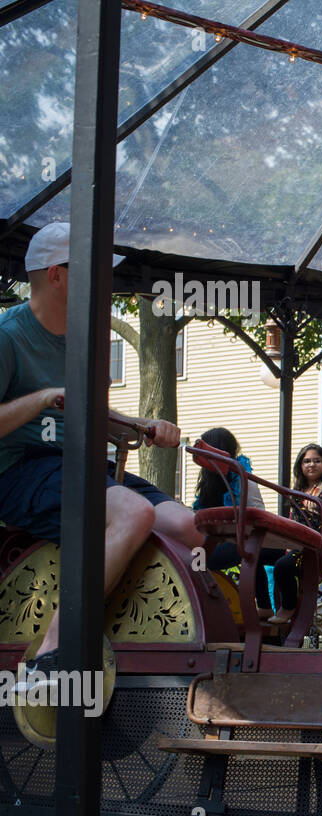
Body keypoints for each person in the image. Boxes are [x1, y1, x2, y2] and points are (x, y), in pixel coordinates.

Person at [0, 223, 202, 696]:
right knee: (135, 511)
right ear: (56, 275)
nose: (105, 283)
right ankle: (51, 652)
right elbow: (56, 401)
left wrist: (141, 425)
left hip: (76, 466)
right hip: (18, 472)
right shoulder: (8, 336)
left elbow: (89, 410)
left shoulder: (86, 339)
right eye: (93, 271)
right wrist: (43, 398)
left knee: (194, 528)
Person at [192, 427, 278, 610]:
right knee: (194, 554)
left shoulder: (241, 477)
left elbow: (253, 519)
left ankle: (208, 603)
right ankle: (200, 602)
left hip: (254, 539)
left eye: (203, 452)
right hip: (228, 538)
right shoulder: (211, 480)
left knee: (200, 558)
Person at [269, 444, 322, 625]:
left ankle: (288, 607)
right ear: (300, 466)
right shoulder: (300, 489)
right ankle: (265, 606)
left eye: (316, 461)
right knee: (257, 553)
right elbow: (293, 519)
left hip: (319, 545)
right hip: (295, 540)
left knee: (284, 566)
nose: (311, 465)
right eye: (306, 461)